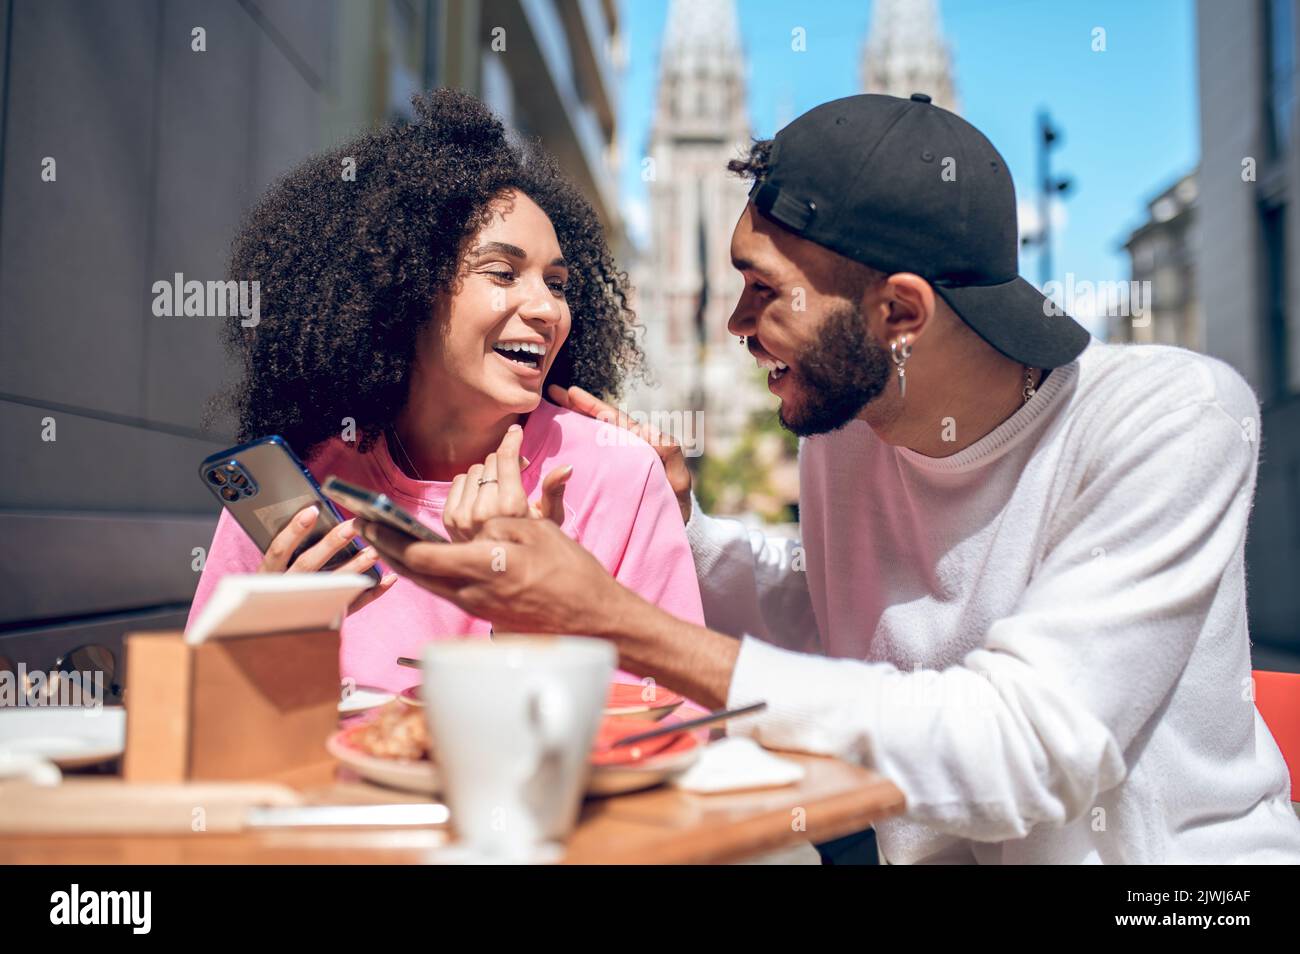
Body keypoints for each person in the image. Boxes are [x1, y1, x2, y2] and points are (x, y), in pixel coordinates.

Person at [358, 93, 1300, 863]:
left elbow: (1025, 752)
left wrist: (611, 619)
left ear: (900, 313)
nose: (735, 322)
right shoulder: (847, 427)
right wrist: (685, 526)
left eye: (764, 290)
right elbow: (841, 621)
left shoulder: (1173, 418)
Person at [187, 89, 703, 692]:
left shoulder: (619, 477)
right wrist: (262, 653)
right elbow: (197, 716)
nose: (547, 309)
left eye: (558, 284)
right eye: (503, 272)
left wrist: (524, 617)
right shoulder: (305, 476)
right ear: (406, 286)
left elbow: (677, 721)